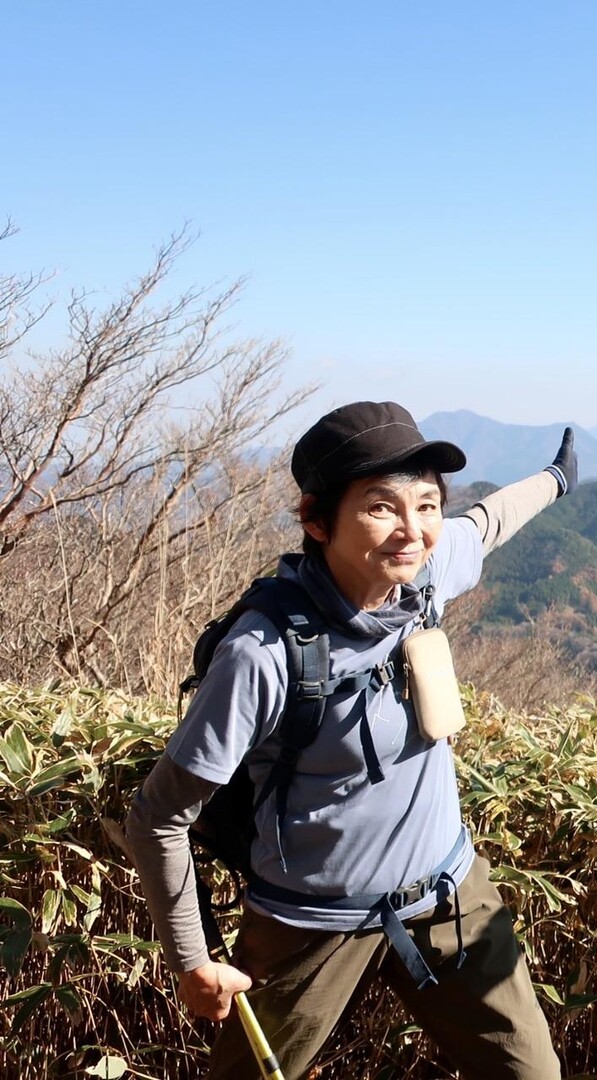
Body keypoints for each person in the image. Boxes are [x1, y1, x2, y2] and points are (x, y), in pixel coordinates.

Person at [125, 401, 571, 1079]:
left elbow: (486, 523)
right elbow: (159, 817)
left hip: (450, 895)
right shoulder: (264, 653)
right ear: (315, 519)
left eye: (426, 504)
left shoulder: (421, 575)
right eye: (381, 507)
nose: (414, 530)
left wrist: (558, 478)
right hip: (309, 924)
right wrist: (191, 960)